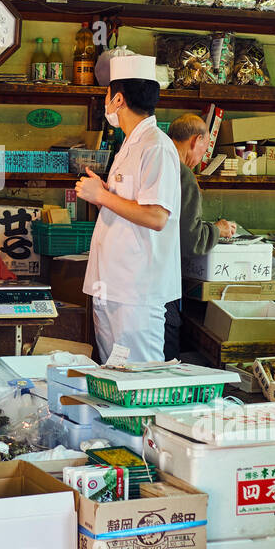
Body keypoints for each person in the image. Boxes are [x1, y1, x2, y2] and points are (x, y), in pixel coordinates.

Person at [78, 54, 181, 362]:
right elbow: (136, 204)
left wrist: (104, 196)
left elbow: (157, 216)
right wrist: (107, 193)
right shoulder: (130, 143)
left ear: (119, 98)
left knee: (140, 384)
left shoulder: (156, 146)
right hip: (112, 286)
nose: (105, 102)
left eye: (108, 95)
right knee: (113, 378)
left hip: (137, 293)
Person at [164, 113, 237, 359]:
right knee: (166, 360)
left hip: (135, 285)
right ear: (196, 141)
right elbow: (191, 240)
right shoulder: (182, 173)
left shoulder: (156, 161)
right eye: (204, 151)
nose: (201, 159)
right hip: (161, 286)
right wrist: (218, 229)